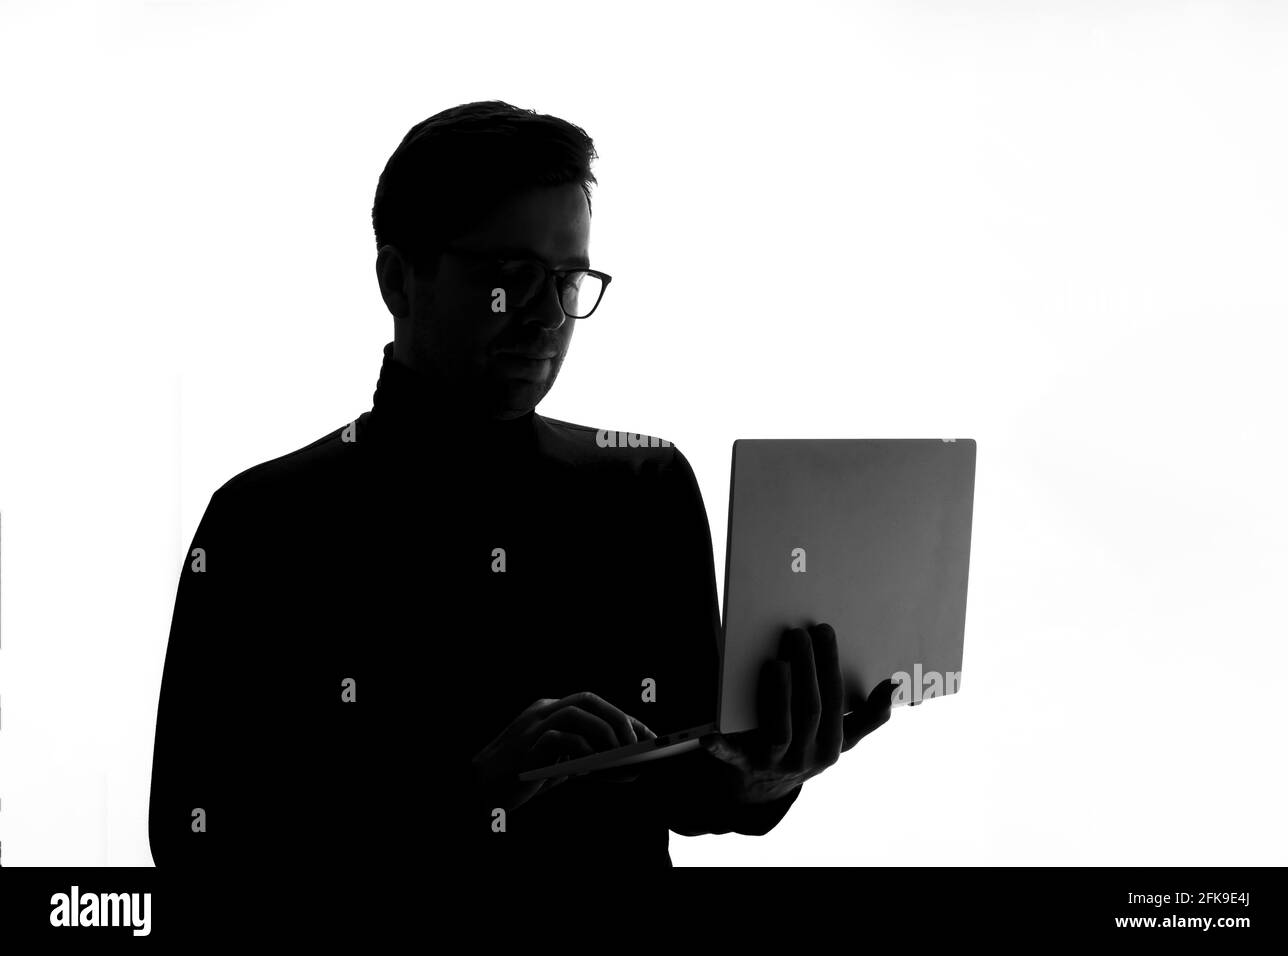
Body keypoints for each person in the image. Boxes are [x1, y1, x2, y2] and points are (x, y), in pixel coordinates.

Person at [148, 100, 895, 871]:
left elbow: (695, 793)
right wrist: (470, 797)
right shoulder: (262, 526)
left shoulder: (646, 486)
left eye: (569, 279)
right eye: (510, 278)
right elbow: (192, 843)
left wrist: (766, 774)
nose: (546, 317)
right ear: (397, 278)